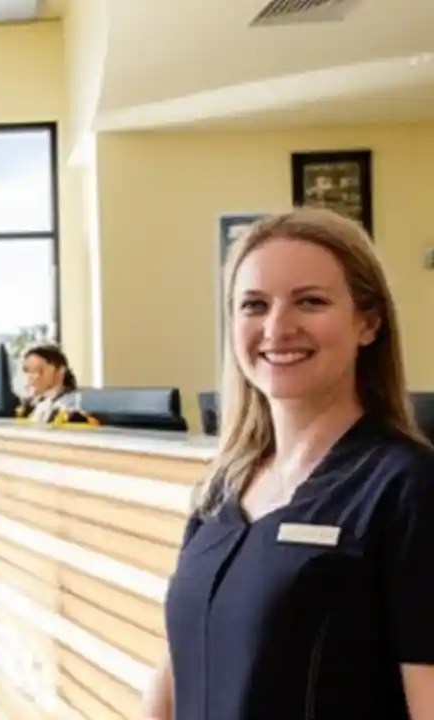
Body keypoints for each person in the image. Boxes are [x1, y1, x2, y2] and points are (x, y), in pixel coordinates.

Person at [141, 208, 434, 719]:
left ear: (368, 323)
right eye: (254, 305)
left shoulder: (406, 486)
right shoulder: (222, 488)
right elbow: (175, 669)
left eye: (311, 301)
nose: (278, 327)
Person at [17, 344, 79, 423]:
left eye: (39, 370)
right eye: (27, 371)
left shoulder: (72, 408)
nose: (31, 376)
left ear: (61, 370)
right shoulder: (27, 407)